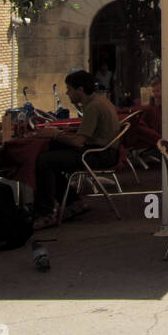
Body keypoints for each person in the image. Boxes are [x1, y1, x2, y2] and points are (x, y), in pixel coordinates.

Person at [32, 70, 122, 228]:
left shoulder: (93, 107)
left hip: (98, 154)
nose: (67, 93)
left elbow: (79, 142)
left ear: (80, 90)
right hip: (106, 150)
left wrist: (54, 134)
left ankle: (46, 212)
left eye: (69, 89)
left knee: (45, 161)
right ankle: (73, 202)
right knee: (53, 156)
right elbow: (88, 133)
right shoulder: (101, 101)